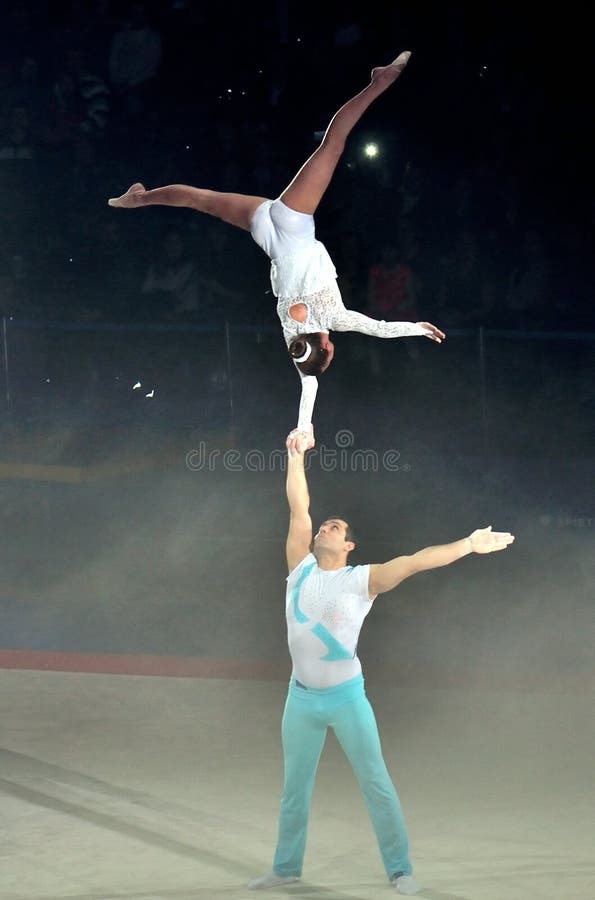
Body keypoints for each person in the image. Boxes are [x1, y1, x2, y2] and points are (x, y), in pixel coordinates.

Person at [108, 51, 444, 437]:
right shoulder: (291, 333)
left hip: (292, 222)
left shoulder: (334, 319)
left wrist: (418, 328)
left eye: (331, 354)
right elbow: (308, 383)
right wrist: (302, 427)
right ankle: (138, 198)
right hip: (263, 232)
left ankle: (379, 82)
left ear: (327, 346)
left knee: (333, 145)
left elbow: (379, 328)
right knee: (200, 200)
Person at [247, 431, 515, 894]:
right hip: (301, 700)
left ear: (349, 546)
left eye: (336, 527)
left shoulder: (361, 581)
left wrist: (467, 545)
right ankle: (286, 868)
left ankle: (400, 869)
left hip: (347, 699)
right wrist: (295, 457)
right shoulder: (299, 568)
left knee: (376, 783)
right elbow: (298, 508)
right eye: (324, 525)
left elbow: (415, 561)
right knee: (295, 791)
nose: (324, 527)